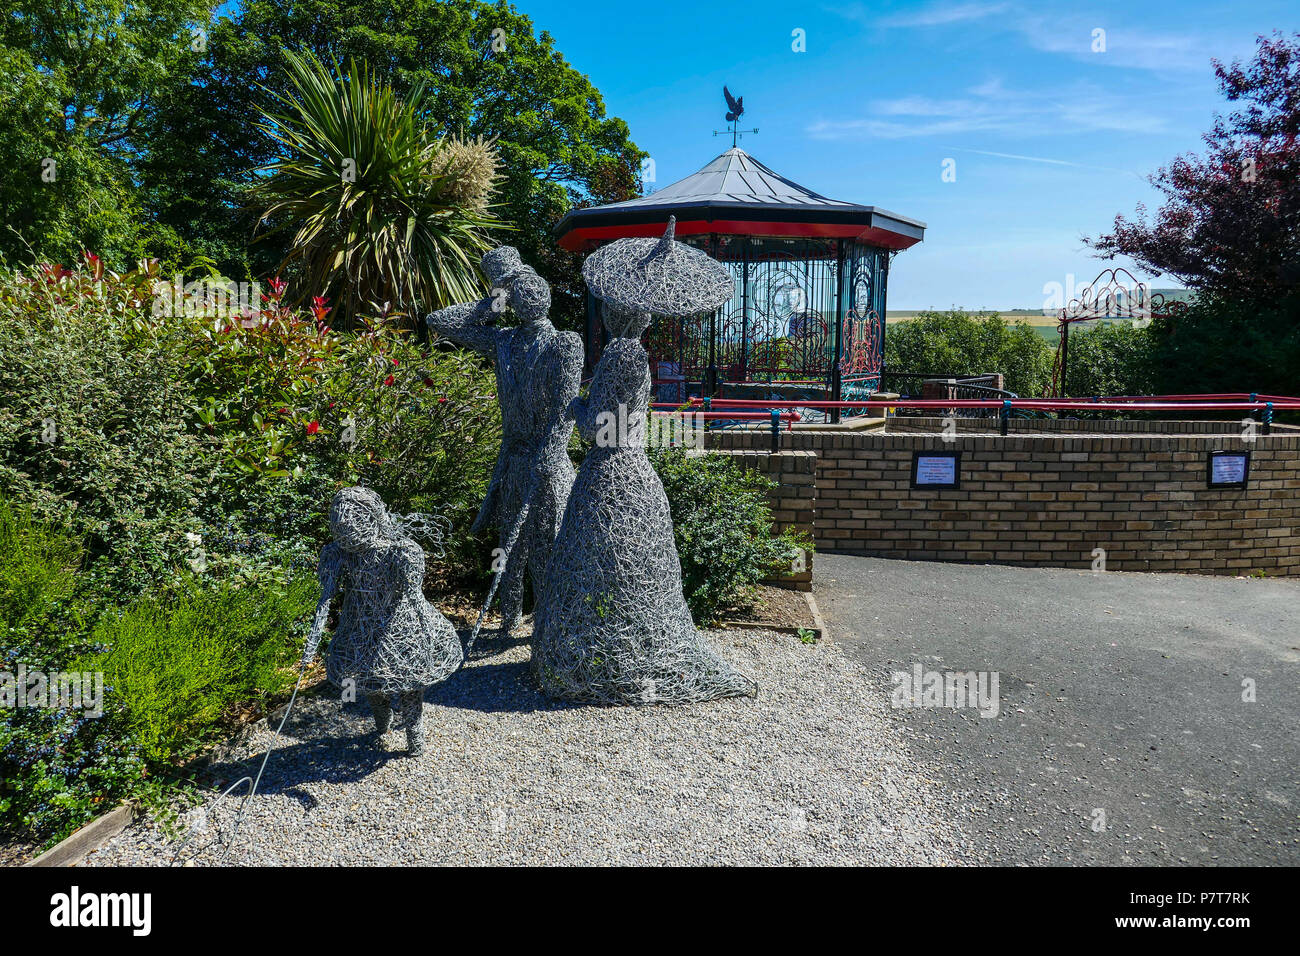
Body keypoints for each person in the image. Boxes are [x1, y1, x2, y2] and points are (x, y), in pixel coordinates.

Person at [531, 304, 758, 705]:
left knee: (600, 571)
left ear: (616, 314)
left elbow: (598, 429)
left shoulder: (620, 355)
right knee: (624, 576)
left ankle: (600, 663)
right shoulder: (638, 354)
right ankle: (619, 656)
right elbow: (623, 419)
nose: (601, 313)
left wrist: (573, 403)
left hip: (607, 476)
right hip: (635, 471)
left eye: (605, 307)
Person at [425, 248, 582, 637]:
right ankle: (509, 619)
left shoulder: (566, 343)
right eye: (518, 292)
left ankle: (547, 624)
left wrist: (550, 453)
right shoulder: (504, 342)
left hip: (549, 462)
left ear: (547, 296)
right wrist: (494, 298)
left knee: (547, 544)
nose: (529, 297)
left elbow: (567, 406)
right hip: (514, 459)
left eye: (534, 289)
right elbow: (439, 321)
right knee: (508, 548)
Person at [302, 487, 463, 754]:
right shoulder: (338, 554)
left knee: (409, 685)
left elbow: (414, 598)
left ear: (371, 518)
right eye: (338, 518)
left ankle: (415, 738)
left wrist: (428, 635)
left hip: (399, 627)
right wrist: (312, 643)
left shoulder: (398, 552)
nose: (344, 525)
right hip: (360, 631)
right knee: (371, 684)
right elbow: (325, 600)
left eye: (354, 517)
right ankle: (382, 725)